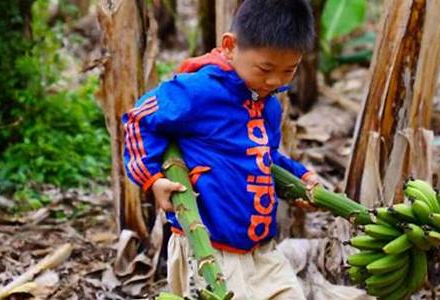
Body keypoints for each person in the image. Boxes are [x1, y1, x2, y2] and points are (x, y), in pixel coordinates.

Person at [123, 0, 318, 299]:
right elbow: (139, 119)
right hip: (208, 249)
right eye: (265, 68)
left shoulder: (268, 103)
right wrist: (152, 180)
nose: (275, 80)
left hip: (261, 249)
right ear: (230, 46)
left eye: (289, 70)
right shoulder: (199, 91)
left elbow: (264, 158)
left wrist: (301, 178)